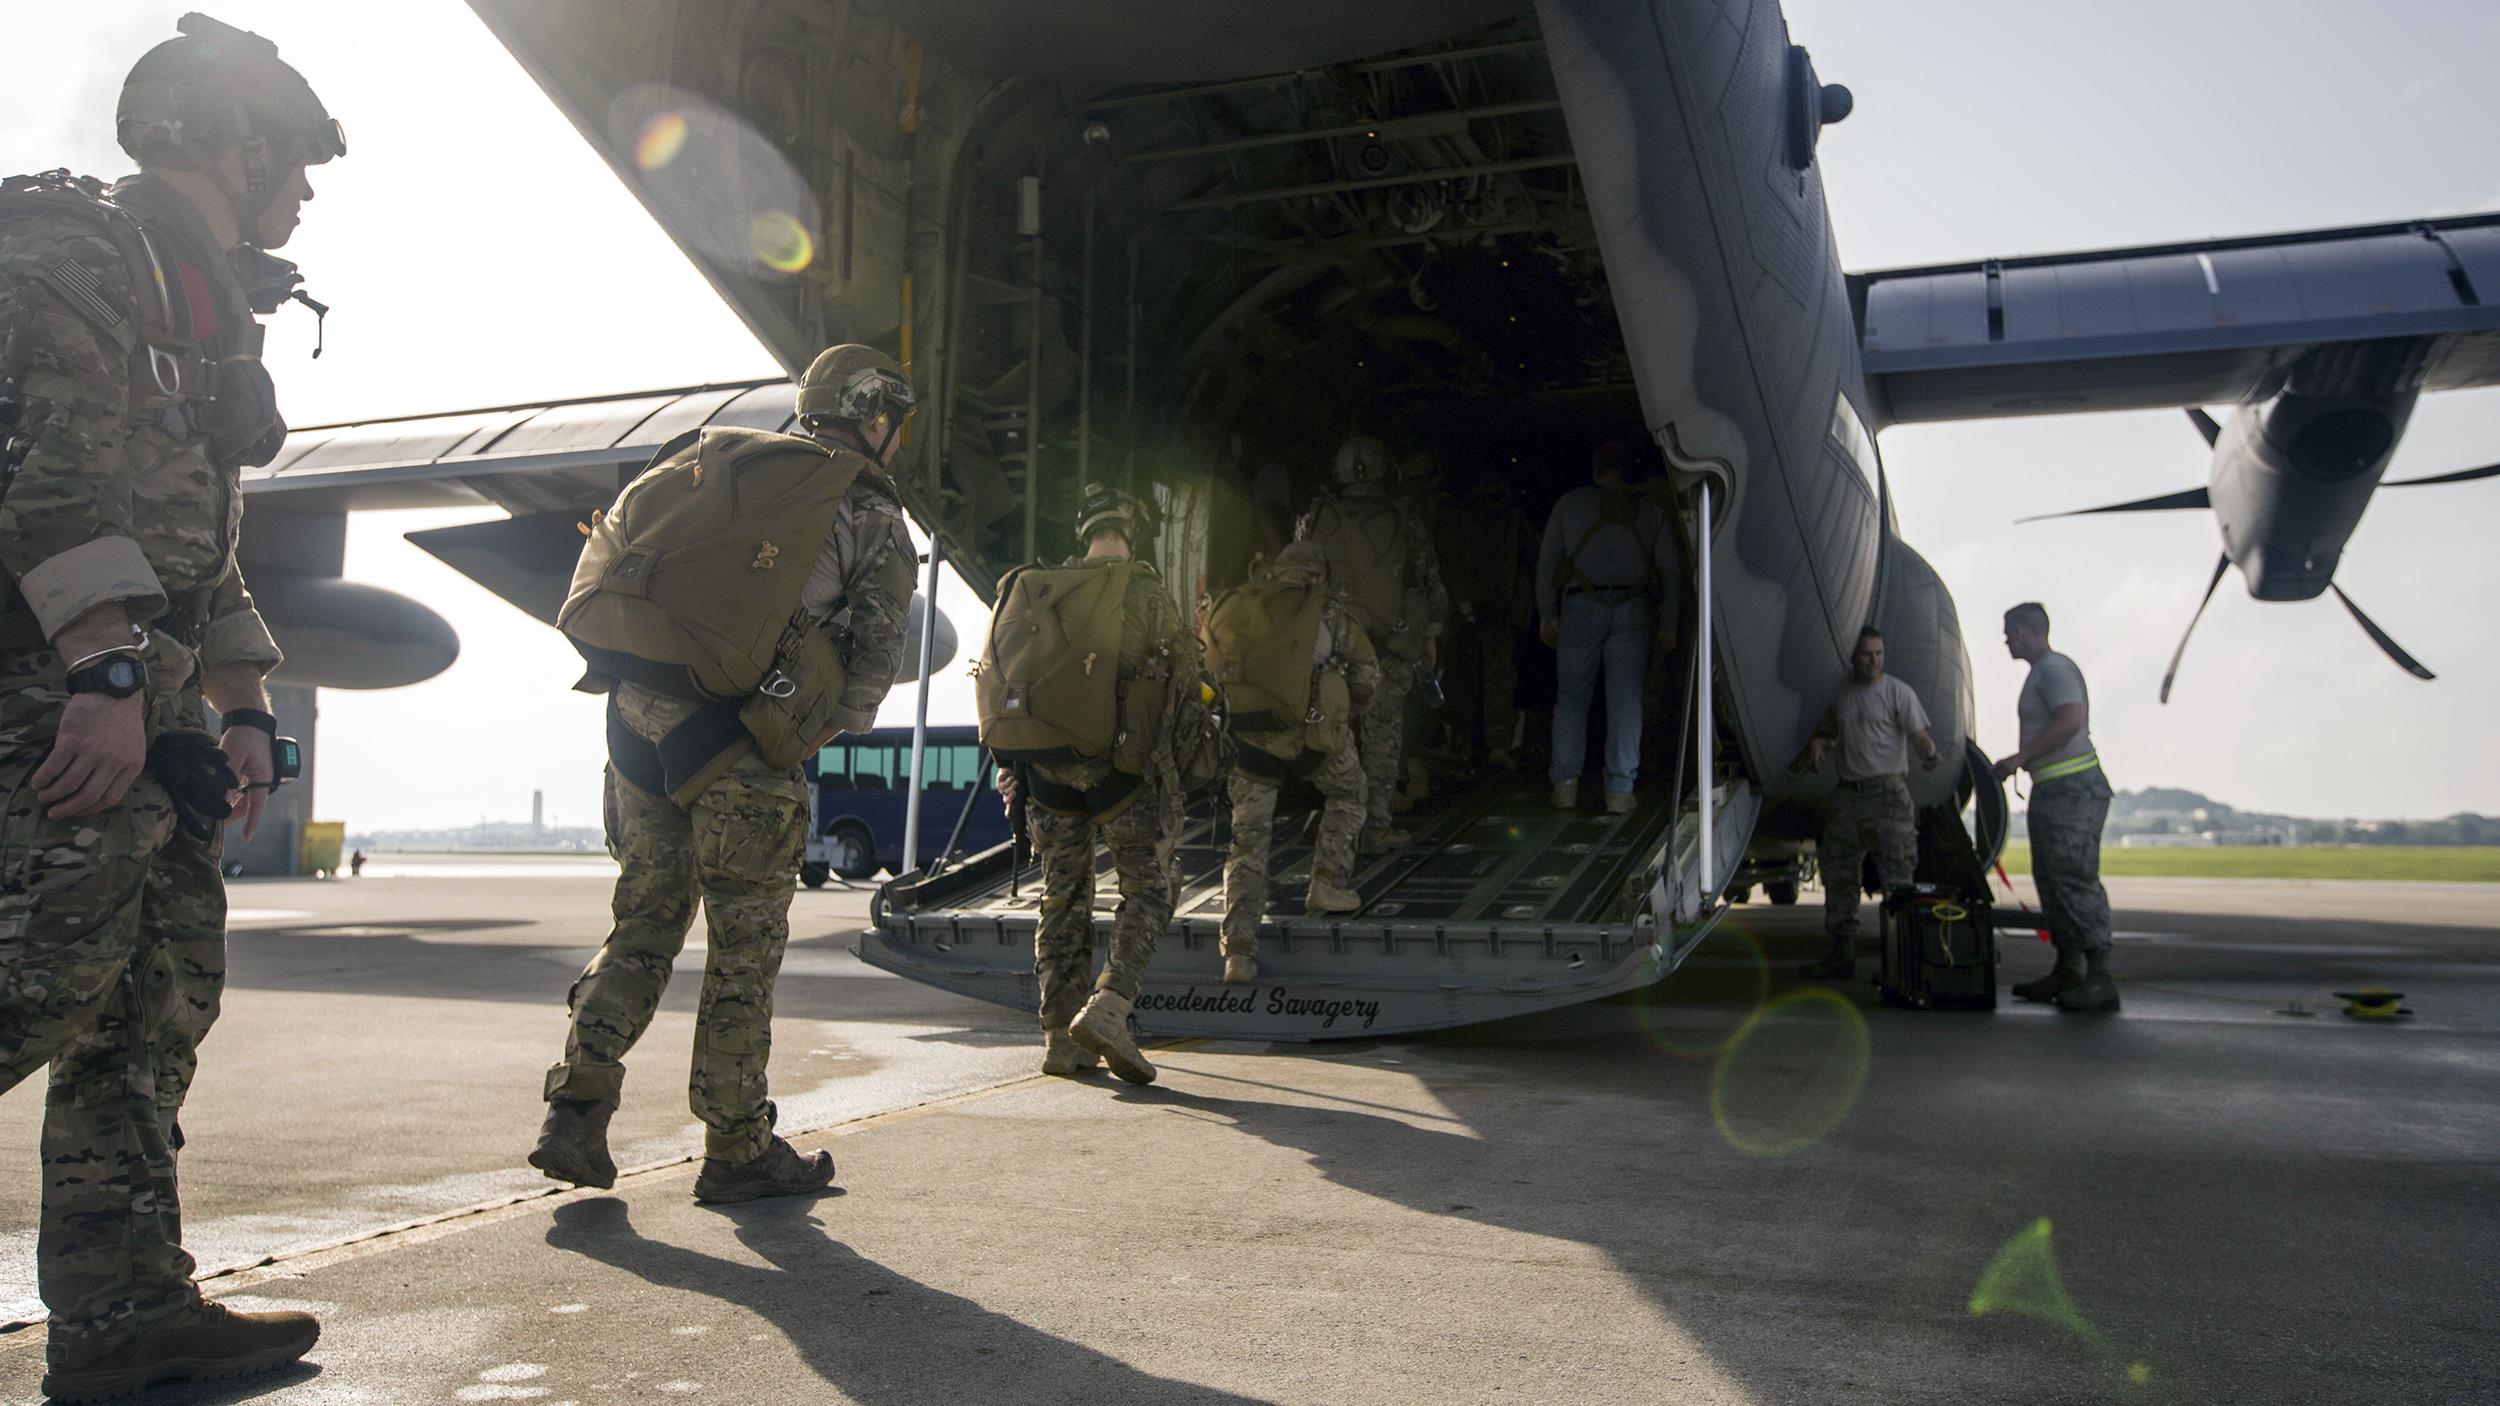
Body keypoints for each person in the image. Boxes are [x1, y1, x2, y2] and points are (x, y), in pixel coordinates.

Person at [0, 14, 340, 1399]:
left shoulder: (199, 295)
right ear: (234, 144)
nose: (307, 192)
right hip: (61, 695)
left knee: (151, 1005)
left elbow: (200, 527)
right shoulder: (73, 259)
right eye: (297, 162)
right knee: (35, 983)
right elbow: (48, 476)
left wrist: (244, 697)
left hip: (158, 710)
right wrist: (105, 671)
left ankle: (127, 1306)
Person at [532, 343, 917, 1204]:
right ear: (880, 421)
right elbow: (876, 658)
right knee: (743, 953)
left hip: (631, 733)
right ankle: (737, 1147)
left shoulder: (716, 466)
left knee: (641, 925)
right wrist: (811, 730)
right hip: (741, 752)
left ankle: (576, 1108)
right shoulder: (867, 510)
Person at [989, 485, 1200, 1084]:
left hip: (1046, 774)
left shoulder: (1043, 588)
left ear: (1082, 532)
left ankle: (1060, 1038)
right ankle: (1110, 1008)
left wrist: (1016, 769)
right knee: (1153, 888)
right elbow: (1182, 692)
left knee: (1062, 895)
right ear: (1134, 530)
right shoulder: (1148, 593)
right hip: (1122, 774)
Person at [1208, 542, 1378, 985]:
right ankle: (1326, 881)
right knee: (1350, 791)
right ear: (1319, 577)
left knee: (1247, 845)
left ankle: (1239, 952)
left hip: (1246, 742)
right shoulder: (1331, 613)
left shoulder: (1239, 604)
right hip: (1310, 740)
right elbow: (1367, 680)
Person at [1296, 435, 1447, 853]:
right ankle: (1377, 825)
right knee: (1383, 736)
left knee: (1330, 731)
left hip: (1329, 646)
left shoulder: (1315, 516)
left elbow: (1294, 574)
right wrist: (1430, 634)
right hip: (1388, 643)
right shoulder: (1402, 516)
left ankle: (1335, 821)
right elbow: (1427, 578)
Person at [1537, 441, 1681, 814]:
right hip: (1632, 610)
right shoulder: (1650, 509)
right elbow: (1670, 569)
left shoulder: (1569, 505)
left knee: (1571, 699)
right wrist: (1668, 623)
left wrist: (1547, 613)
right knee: (1625, 701)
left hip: (1580, 608)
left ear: (1595, 468)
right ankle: (1619, 790)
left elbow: (1547, 562)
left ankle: (1565, 786)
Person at [1992, 603, 2119, 1012]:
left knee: (2075, 879)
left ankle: (2099, 976)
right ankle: (2069, 969)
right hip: (2053, 790)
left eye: (2011, 632)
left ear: (2028, 631)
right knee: (2052, 880)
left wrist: (2019, 757)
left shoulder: (2053, 669)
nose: (2007, 640)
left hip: (2072, 791)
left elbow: (2070, 721)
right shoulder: (2041, 673)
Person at [1797, 627, 1940, 979]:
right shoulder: (1842, 695)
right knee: (1839, 875)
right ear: (1853, 656)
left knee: (1897, 877)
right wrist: (1818, 743)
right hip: (1848, 795)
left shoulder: (1897, 693)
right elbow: (1830, 730)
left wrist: (1929, 754)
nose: (1873, 660)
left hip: (1888, 794)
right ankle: (1841, 953)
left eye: (1878, 653)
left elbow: (1919, 734)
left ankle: (1902, 960)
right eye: (1866, 654)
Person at [1437, 468, 1536, 770]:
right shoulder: (1514, 521)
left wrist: (1460, 603)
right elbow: (1535, 556)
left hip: (1467, 611)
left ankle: (1463, 745)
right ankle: (1497, 746)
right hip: (1501, 611)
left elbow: (1449, 562)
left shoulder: (1460, 520)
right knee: (1498, 681)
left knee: (1463, 679)